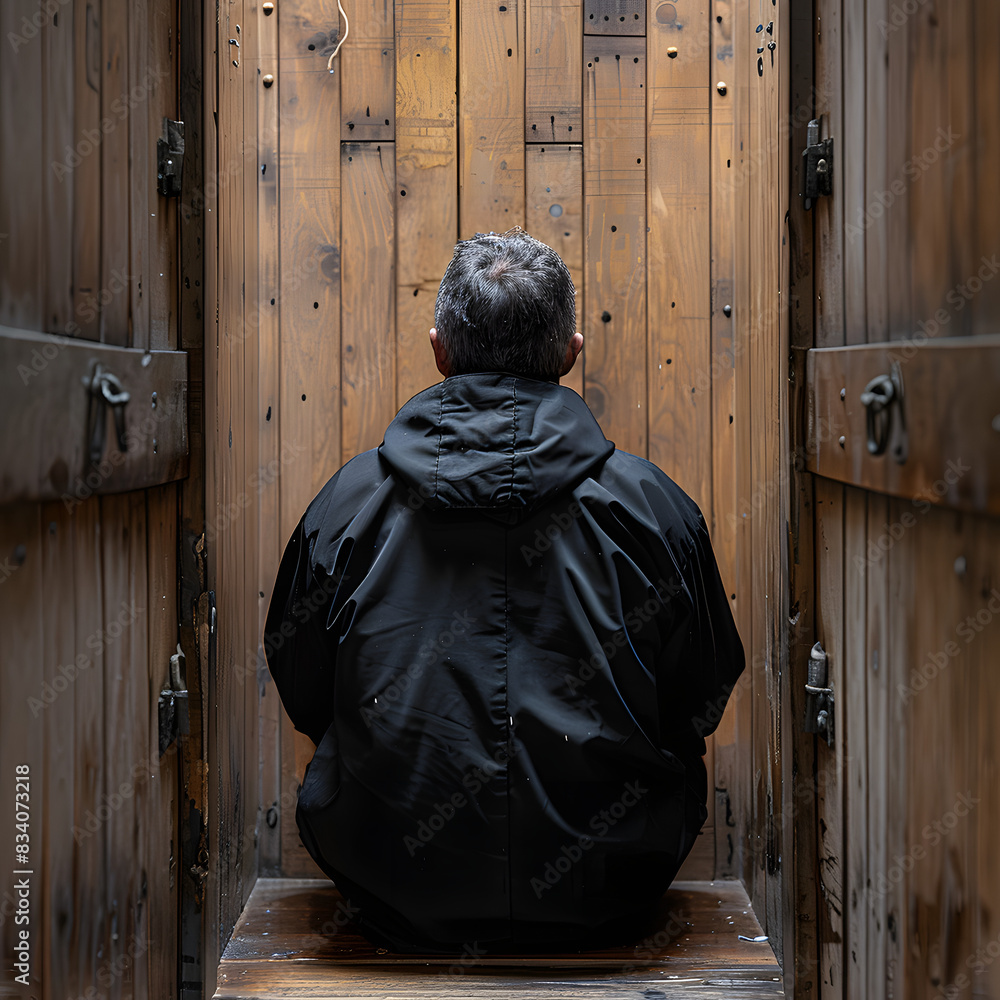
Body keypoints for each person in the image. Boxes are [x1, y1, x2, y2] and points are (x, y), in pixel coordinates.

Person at [264, 227, 745, 955]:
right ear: (570, 353)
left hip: (392, 889)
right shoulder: (656, 509)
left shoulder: (346, 506)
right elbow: (700, 697)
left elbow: (304, 686)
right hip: (610, 892)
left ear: (439, 350)